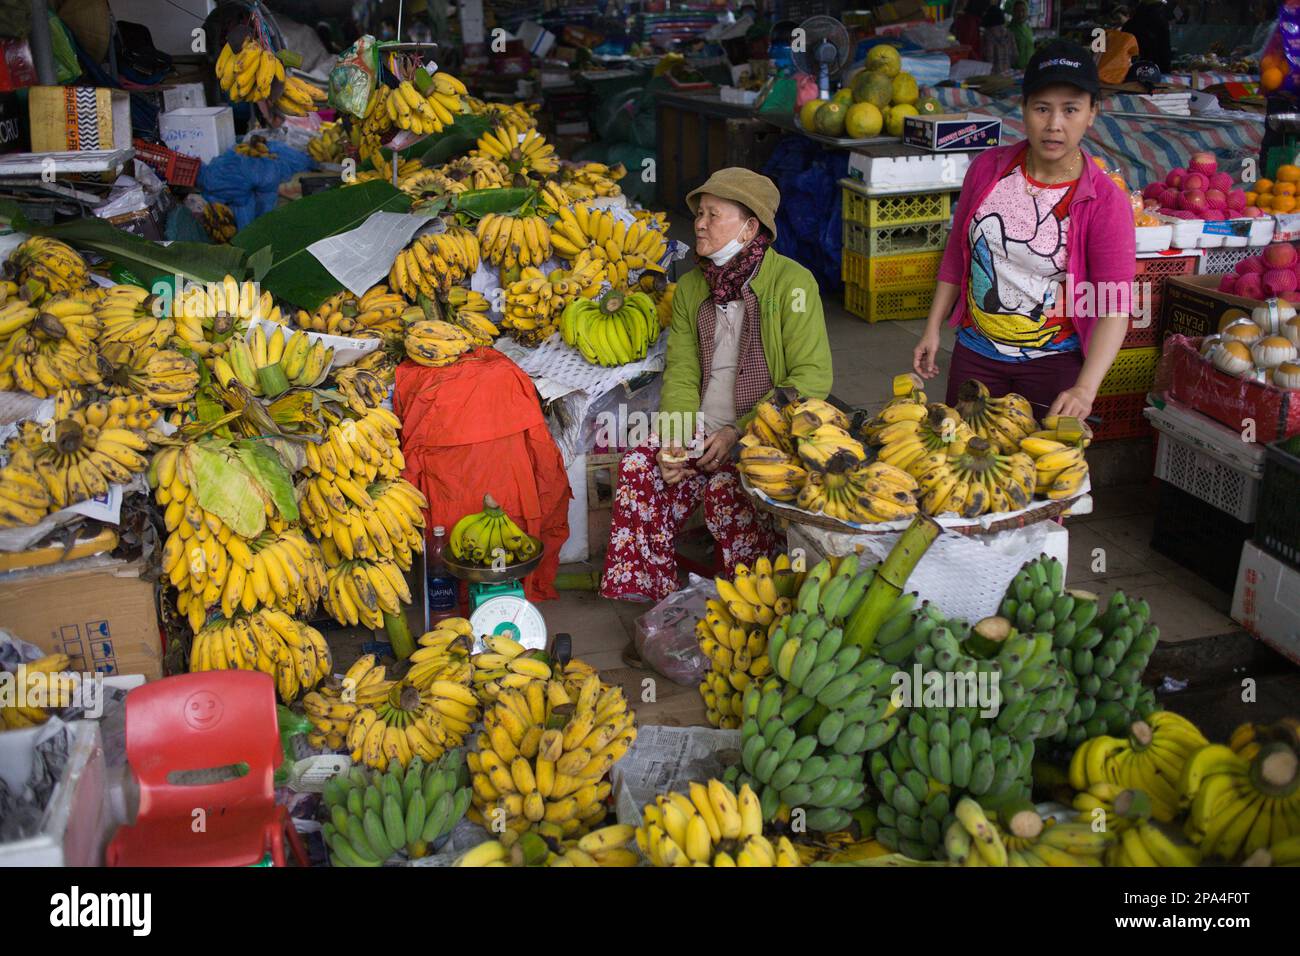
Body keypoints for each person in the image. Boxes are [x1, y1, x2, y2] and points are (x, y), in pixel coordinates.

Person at [600, 168, 832, 602]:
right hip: (700, 427)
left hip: (761, 432)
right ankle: (658, 603)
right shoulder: (691, 287)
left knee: (730, 493)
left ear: (749, 228)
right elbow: (683, 372)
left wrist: (737, 433)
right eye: (699, 214)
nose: (700, 224)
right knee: (639, 467)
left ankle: (747, 609)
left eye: (713, 214)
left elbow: (810, 379)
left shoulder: (793, 284)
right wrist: (673, 440)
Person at [912, 40, 1137, 422]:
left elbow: (1114, 306)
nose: (1054, 125)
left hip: (1054, 365)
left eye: (1070, 110)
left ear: (1092, 113)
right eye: (1042, 108)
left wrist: (1085, 387)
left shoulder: (1105, 203)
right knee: (962, 463)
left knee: (1039, 474)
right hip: (975, 354)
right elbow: (956, 254)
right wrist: (932, 328)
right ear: (1023, 109)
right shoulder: (987, 170)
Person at [1122, 0, 1172, 73]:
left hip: (1133, 70)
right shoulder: (1160, 22)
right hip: (1155, 70)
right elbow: (1164, 50)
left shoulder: (1131, 24)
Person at [981, 6, 1018, 74]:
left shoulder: (988, 35)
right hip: (1007, 73)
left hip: (992, 76)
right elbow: (1015, 55)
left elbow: (988, 57)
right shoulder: (1010, 34)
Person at [1007, 1, 1035, 70]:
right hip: (1015, 70)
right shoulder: (1009, 30)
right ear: (1013, 12)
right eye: (1017, 11)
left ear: (1027, 12)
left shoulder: (1028, 28)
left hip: (1030, 68)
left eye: (1023, 10)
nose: (1020, 14)